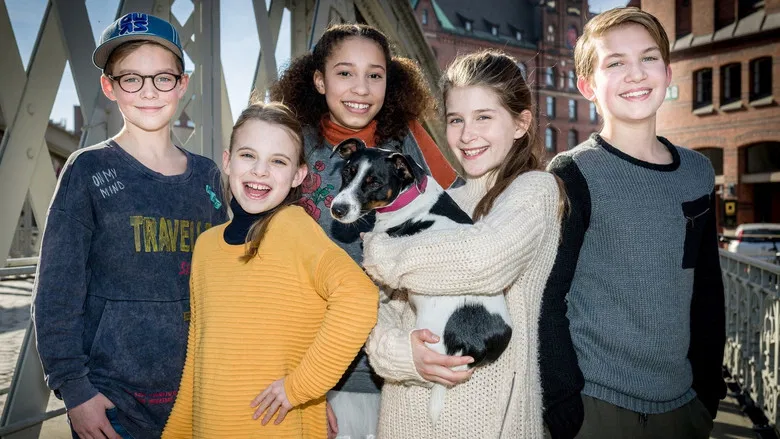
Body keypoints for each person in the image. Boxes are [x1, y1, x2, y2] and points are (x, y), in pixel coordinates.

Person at [31, 12, 227, 439]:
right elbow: (56, 292)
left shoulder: (208, 176)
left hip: (200, 392)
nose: (149, 91)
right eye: (131, 79)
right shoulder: (88, 169)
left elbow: (228, 283)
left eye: (163, 78)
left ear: (182, 84)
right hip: (113, 401)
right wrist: (76, 390)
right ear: (110, 87)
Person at [539, 7, 726, 439]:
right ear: (588, 85)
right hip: (597, 406)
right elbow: (547, 297)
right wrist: (564, 401)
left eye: (648, 58)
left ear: (667, 71)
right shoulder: (572, 173)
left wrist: (707, 394)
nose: (636, 74)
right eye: (615, 63)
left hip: (683, 408)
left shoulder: (697, 172)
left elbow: (707, 289)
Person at [358, 50, 565, 438]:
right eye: (456, 119)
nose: (467, 134)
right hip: (403, 419)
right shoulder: (438, 200)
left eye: (484, 117)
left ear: (521, 123)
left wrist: (380, 251)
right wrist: (404, 356)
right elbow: (381, 307)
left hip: (487, 424)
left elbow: (482, 261)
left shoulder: (534, 190)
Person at [269, 23, 456, 438]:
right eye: (344, 73)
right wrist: (304, 384)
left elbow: (458, 217)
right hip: (317, 371)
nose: (361, 88)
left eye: (375, 75)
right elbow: (268, 267)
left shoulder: (408, 141)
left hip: (402, 369)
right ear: (319, 80)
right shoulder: (291, 143)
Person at [161, 101, 378, 438]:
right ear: (227, 161)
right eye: (248, 155)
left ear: (298, 175)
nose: (260, 171)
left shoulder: (294, 228)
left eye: (278, 161)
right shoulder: (206, 246)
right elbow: (197, 358)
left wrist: (301, 386)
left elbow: (360, 297)